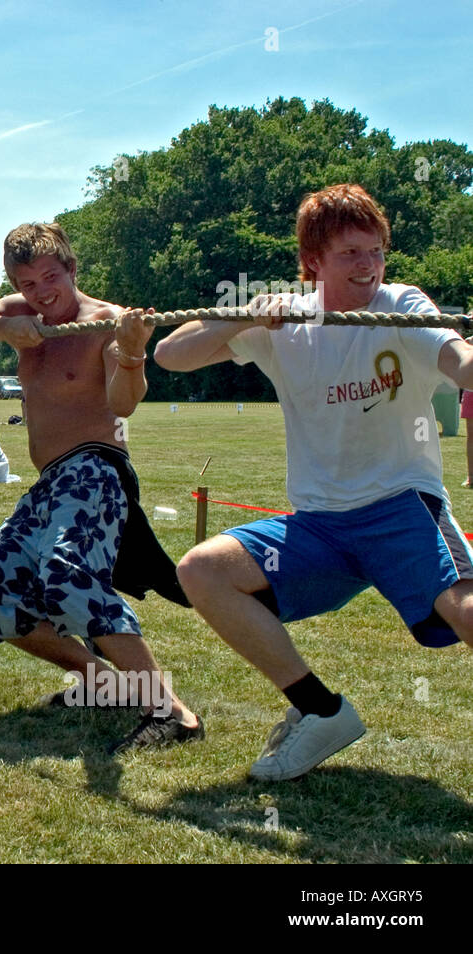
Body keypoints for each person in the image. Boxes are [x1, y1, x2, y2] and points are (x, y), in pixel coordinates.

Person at [155, 183, 473, 780]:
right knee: (201, 570)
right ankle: (321, 712)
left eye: (376, 251)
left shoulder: (401, 303)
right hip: (319, 525)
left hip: (401, 506)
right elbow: (172, 355)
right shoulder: (283, 317)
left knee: (466, 608)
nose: (369, 266)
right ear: (313, 263)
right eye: (351, 253)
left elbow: (459, 360)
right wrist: (244, 316)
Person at [0, 222, 202, 753]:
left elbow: (123, 402)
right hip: (49, 481)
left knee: (67, 578)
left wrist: (133, 351)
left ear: (72, 269)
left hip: (97, 469)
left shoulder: (104, 321)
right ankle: (103, 681)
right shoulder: (18, 314)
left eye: (50, 277)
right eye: (27, 284)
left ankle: (171, 711)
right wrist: (3, 331)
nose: (41, 292)